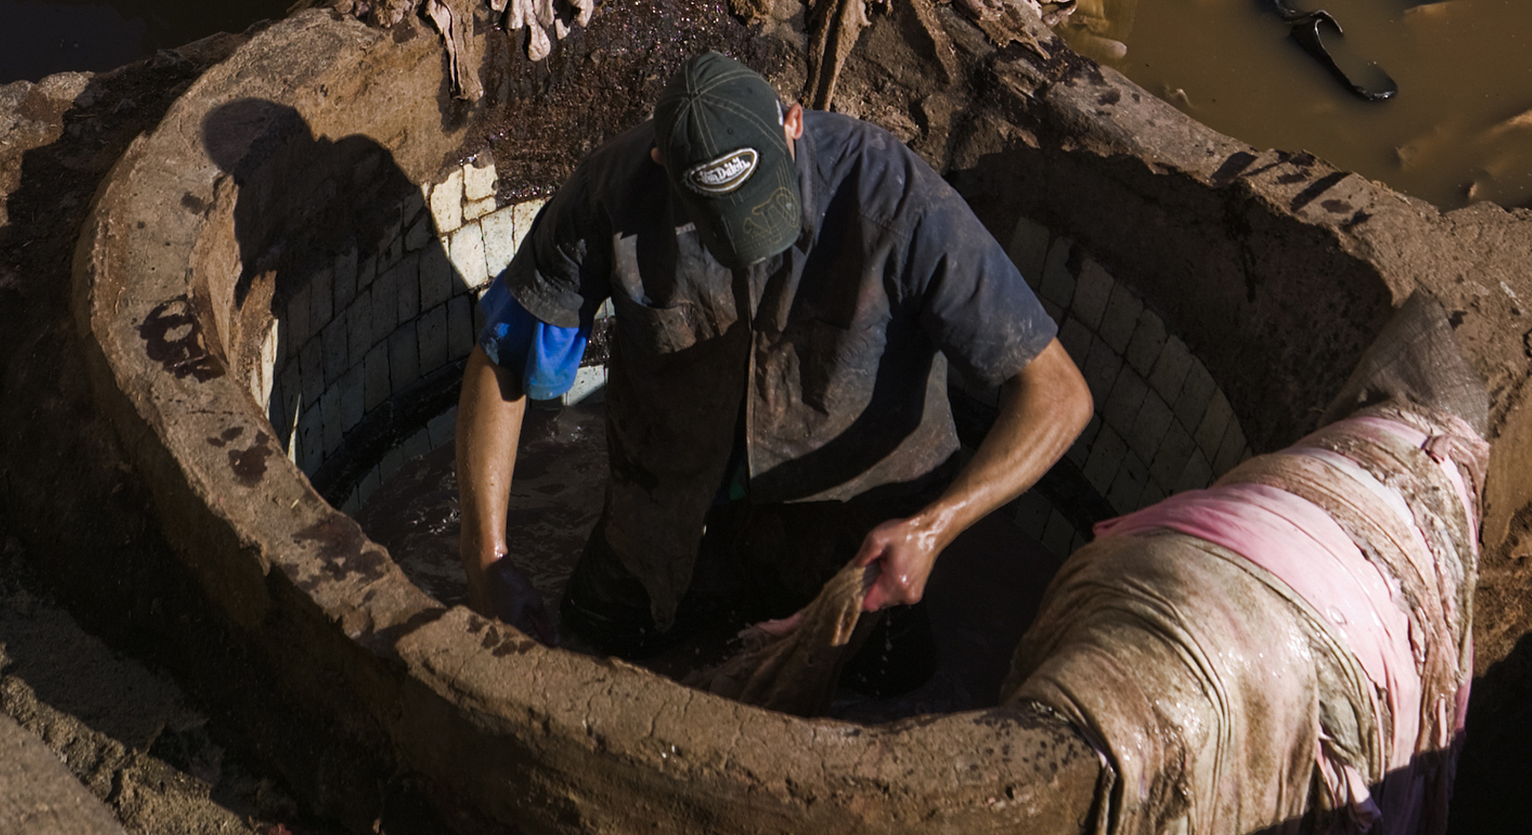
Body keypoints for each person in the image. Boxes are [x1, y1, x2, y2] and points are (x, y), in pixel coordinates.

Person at [455, 52, 1094, 671]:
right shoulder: (611, 192)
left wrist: (931, 529)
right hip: (668, 512)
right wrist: (488, 559)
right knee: (585, 648)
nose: (748, 250)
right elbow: (505, 356)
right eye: (715, 226)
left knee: (885, 693)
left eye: (765, 208)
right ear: (662, 166)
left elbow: (1059, 394)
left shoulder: (896, 200)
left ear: (794, 122)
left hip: (851, 534)